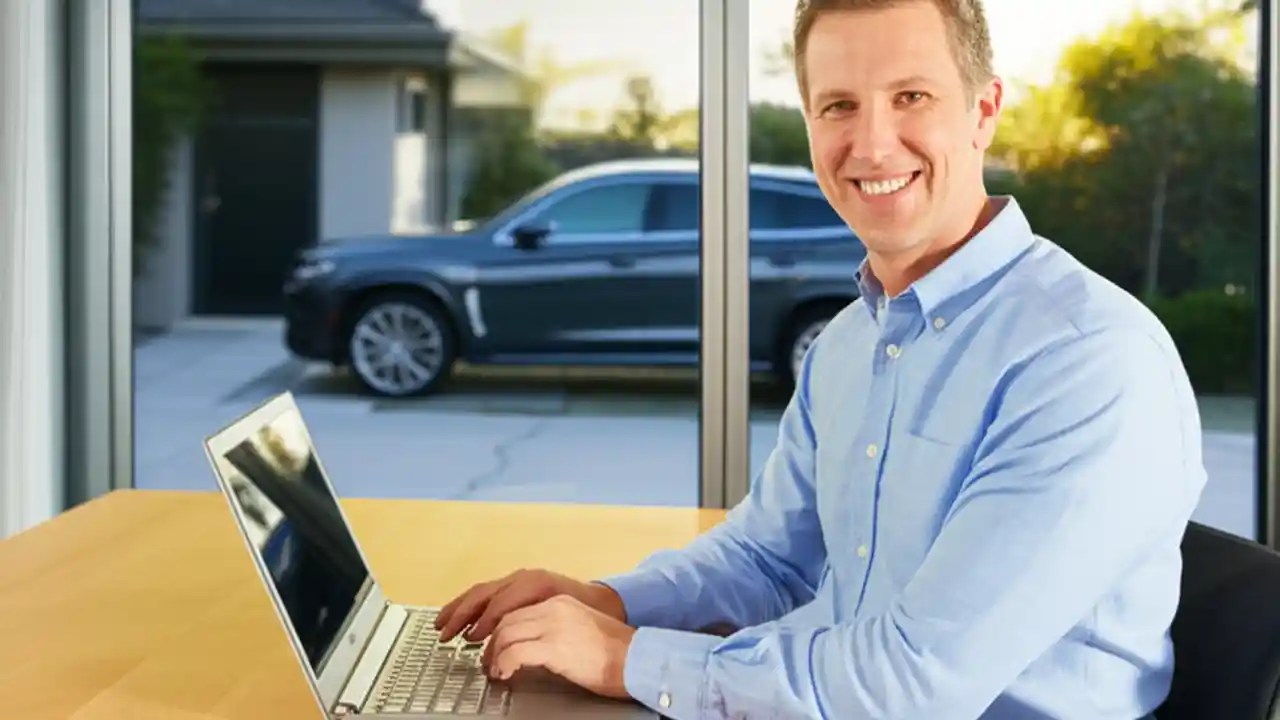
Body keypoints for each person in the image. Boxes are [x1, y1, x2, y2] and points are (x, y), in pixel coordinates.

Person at [434, 0, 1208, 717]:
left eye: (911, 97)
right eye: (839, 105)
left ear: (983, 112)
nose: (870, 144)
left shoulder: (1087, 361)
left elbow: (914, 682)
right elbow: (767, 561)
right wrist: (608, 603)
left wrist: (625, 658)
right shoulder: (851, 341)